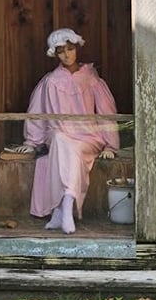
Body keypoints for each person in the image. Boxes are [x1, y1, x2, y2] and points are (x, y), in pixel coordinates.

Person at [7, 28, 119, 234]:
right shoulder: (50, 81)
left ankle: (61, 210)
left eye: (70, 49)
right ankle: (66, 206)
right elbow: (37, 113)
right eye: (61, 51)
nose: (67, 55)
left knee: (64, 147)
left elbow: (106, 112)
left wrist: (110, 144)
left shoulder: (91, 79)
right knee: (60, 138)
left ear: (77, 48)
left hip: (88, 137)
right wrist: (32, 142)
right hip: (59, 138)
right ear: (54, 54)